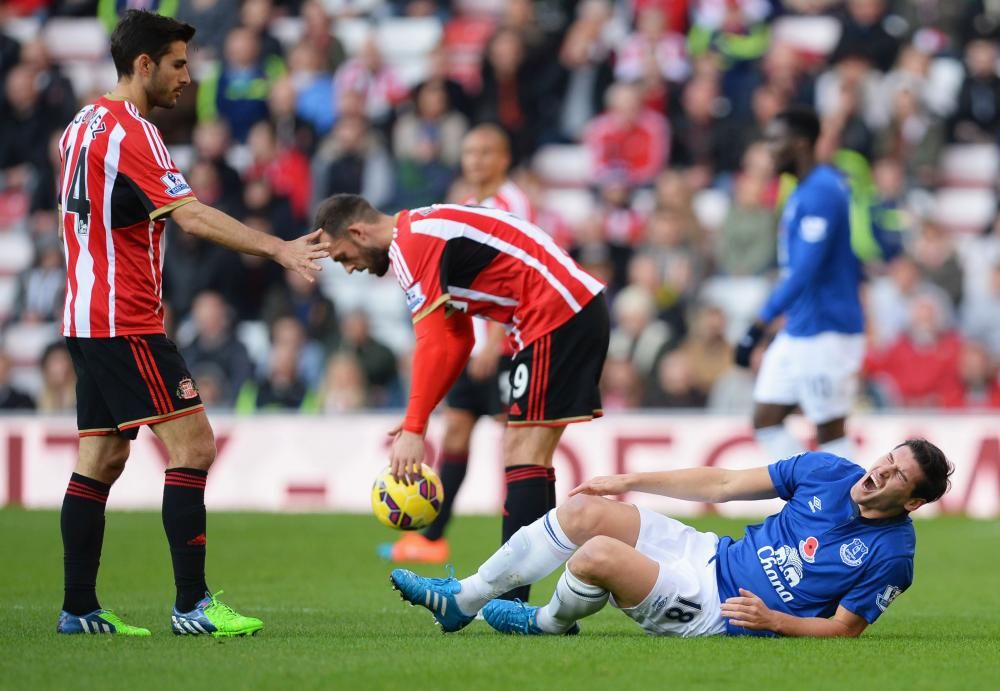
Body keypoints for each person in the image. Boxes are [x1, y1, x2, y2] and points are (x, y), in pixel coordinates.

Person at [55, 10, 328, 637]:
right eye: (178, 64)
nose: (188, 77)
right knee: (195, 447)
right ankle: (192, 604)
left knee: (100, 456)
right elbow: (192, 216)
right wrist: (280, 247)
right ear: (144, 64)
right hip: (125, 319)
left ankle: (78, 608)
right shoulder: (134, 132)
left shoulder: (80, 124)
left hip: (83, 313)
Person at [315, 193, 609, 603]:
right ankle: (521, 597)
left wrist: (416, 428)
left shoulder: (410, 243)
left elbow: (433, 340)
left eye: (343, 256)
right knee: (530, 455)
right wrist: (423, 409)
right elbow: (458, 338)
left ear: (358, 231)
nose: (348, 269)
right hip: (557, 313)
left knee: (523, 450)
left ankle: (513, 600)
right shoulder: (418, 231)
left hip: (555, 313)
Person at [390, 439, 952, 638]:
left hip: (718, 610)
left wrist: (775, 622)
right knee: (586, 510)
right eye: (887, 458)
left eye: (898, 475)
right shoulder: (829, 469)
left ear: (913, 502)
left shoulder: (893, 555)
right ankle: (462, 600)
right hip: (711, 554)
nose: (879, 471)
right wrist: (630, 481)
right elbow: (726, 482)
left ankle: (546, 623)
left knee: (597, 557)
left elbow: (845, 629)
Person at [382, 124, 535, 566]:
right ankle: (433, 537)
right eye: (470, 152)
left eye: (487, 152)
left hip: (507, 345)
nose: (476, 161)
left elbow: (519, 271)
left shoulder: (512, 203)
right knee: (456, 431)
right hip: (476, 345)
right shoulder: (468, 206)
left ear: (504, 159)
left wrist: (493, 342)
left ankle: (516, 544)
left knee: (516, 443)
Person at [734, 106, 861, 462]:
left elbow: (804, 271)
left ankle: (865, 515)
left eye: (776, 140)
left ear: (801, 144)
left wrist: (759, 324)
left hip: (828, 329)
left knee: (829, 430)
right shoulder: (802, 191)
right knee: (766, 420)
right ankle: (811, 496)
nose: (769, 149)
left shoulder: (822, 191)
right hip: (800, 328)